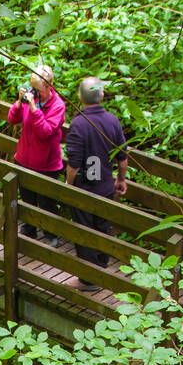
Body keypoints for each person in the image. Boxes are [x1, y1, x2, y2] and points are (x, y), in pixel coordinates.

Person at [64, 76, 128, 291]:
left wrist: (69, 186)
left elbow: (73, 164)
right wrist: (121, 179)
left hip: (85, 188)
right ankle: (100, 268)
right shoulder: (112, 120)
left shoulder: (79, 123)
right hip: (105, 186)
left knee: (84, 231)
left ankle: (88, 280)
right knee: (102, 228)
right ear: (101, 95)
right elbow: (122, 155)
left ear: (80, 97)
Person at [6, 64, 66, 246]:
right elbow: (12, 119)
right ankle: (29, 228)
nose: (35, 93)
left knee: (47, 202)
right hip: (24, 158)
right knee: (27, 198)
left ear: (49, 86)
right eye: (33, 89)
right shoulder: (30, 98)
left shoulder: (58, 106)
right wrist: (19, 103)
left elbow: (46, 132)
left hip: (46, 164)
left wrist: (34, 109)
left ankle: (50, 233)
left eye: (38, 90)